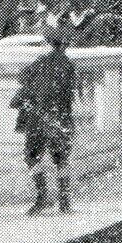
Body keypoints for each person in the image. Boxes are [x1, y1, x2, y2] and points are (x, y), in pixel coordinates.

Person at [10, 27, 77, 214]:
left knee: (31, 156)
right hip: (61, 116)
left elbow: (21, 77)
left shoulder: (41, 62)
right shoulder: (68, 64)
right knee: (61, 157)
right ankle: (64, 200)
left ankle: (42, 197)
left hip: (38, 117)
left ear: (48, 44)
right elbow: (69, 93)